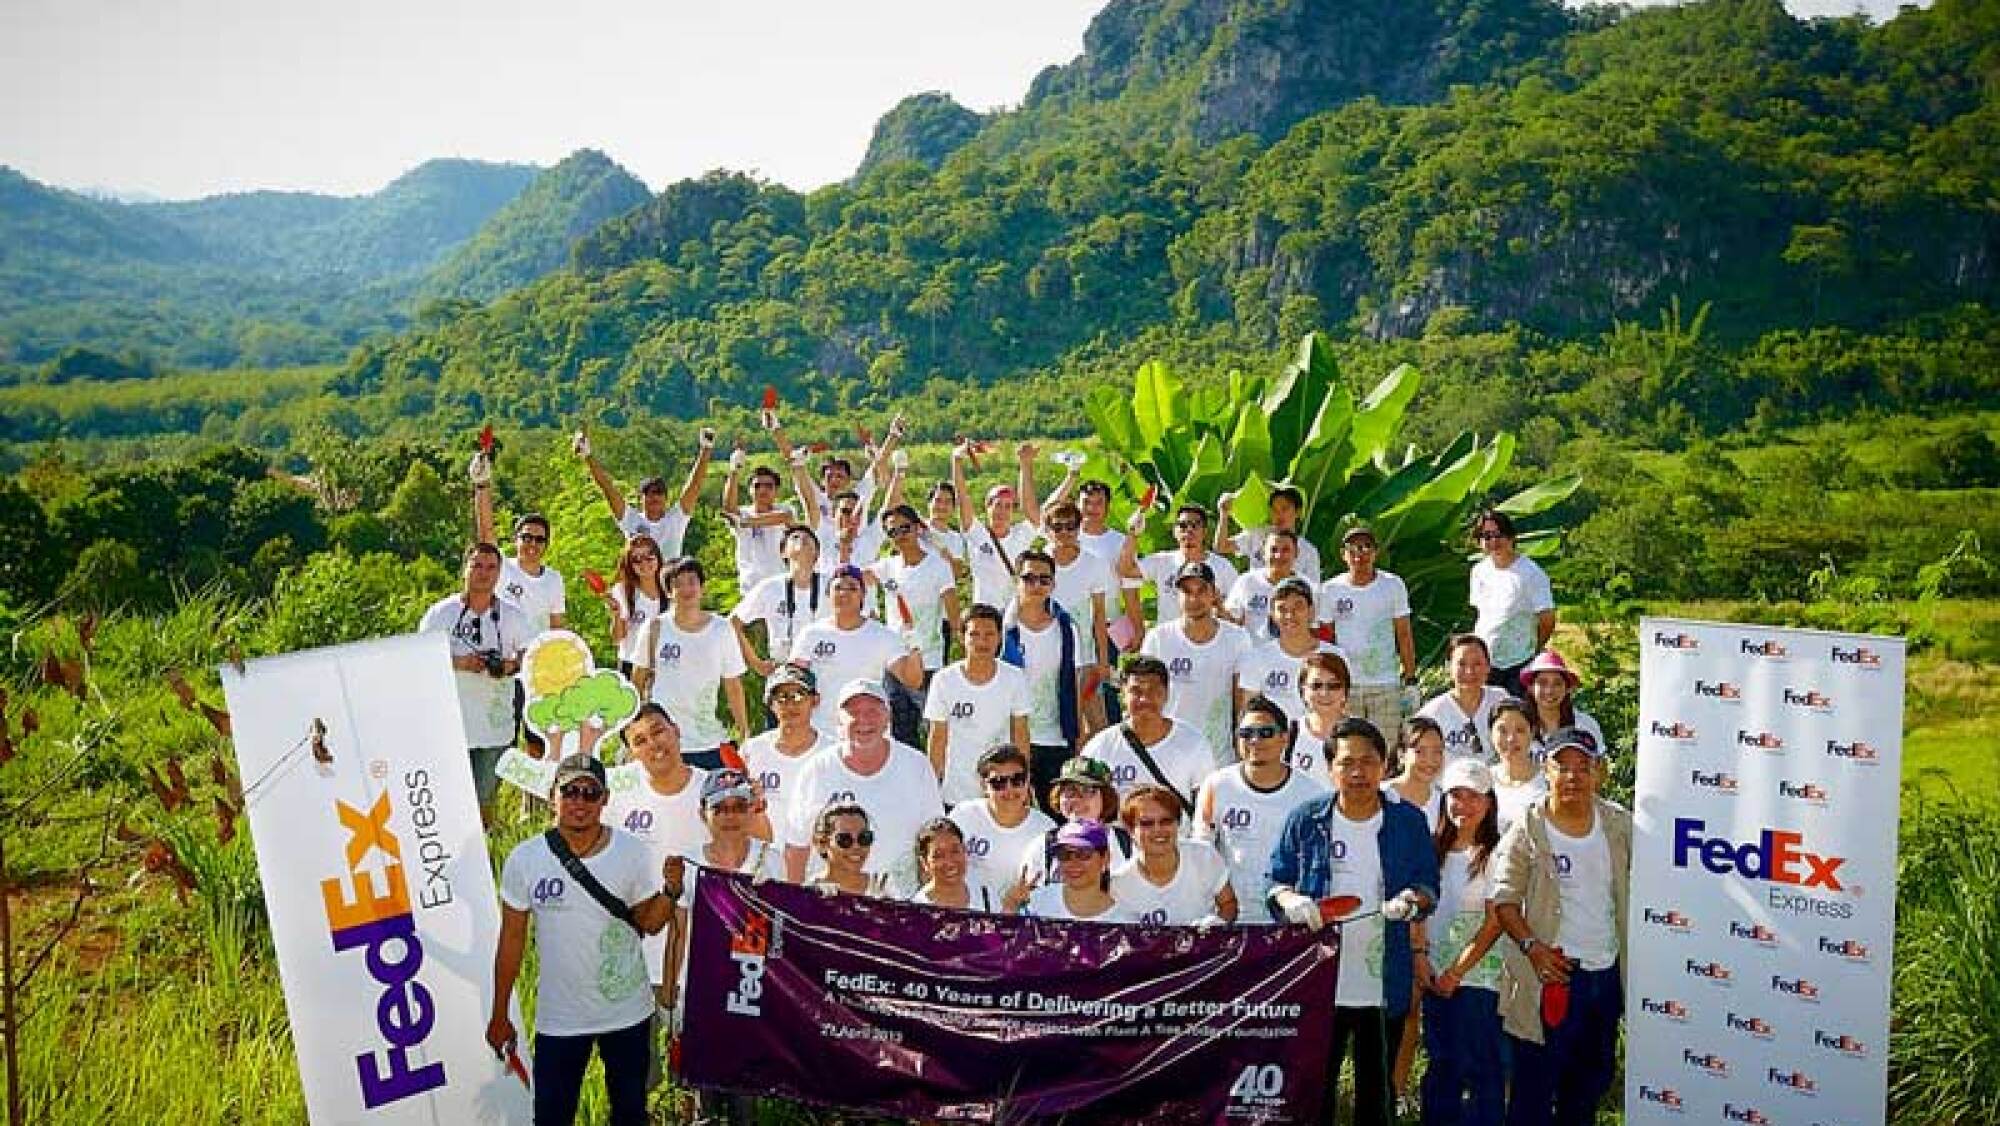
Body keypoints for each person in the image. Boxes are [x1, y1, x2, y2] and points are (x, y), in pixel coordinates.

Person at [1267, 717, 1439, 1126]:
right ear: (1331, 768)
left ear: (1384, 765)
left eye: (1368, 761)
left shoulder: (1408, 821)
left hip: (1383, 980)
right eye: (1347, 763)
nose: (1358, 772)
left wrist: (1411, 901)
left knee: (1376, 1098)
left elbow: (1428, 886)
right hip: (1320, 979)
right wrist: (1289, 900)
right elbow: (1275, 880)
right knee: (1315, 1094)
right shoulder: (1306, 819)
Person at [489, 754, 676, 1126]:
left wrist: (671, 890)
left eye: (590, 793)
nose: (579, 801)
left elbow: (650, 923)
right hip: (560, 1018)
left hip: (627, 1013)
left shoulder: (633, 852)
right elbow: (511, 941)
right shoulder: (525, 859)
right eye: (570, 791)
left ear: (605, 799)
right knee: (552, 1118)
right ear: (552, 797)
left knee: (630, 1115)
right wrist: (499, 1014)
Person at [1490, 727, 1630, 1126]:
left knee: (1588, 1087)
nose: (1573, 776)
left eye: (1583, 767)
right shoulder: (1527, 827)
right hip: (1551, 978)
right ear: (1545, 770)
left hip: (1606, 975)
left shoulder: (1619, 824)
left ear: (1597, 772)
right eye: (1562, 766)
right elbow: (1504, 899)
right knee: (1533, 1092)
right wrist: (1532, 948)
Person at [666, 768, 781, 1126]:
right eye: (721, 808)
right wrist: (671, 990)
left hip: (752, 987)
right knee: (705, 1100)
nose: (731, 816)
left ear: (752, 810)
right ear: (703, 813)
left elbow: (785, 931)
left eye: (739, 806)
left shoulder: (771, 859)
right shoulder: (687, 863)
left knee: (745, 1102)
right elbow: (677, 931)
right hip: (702, 992)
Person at [783, 680, 942, 893]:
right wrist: (793, 902)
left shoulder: (916, 765)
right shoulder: (816, 770)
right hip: (830, 900)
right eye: (854, 713)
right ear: (839, 721)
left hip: (899, 901)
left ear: (887, 718)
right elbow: (796, 846)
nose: (863, 720)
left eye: (872, 711)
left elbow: (933, 840)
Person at [1417, 758, 1507, 1126]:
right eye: (1456, 795)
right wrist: (1421, 958)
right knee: (1442, 1066)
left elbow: (1495, 921)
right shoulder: (1430, 850)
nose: (1463, 805)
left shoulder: (1498, 853)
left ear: (1489, 802)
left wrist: (1457, 972)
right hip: (1435, 975)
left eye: (1474, 796)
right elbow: (1418, 910)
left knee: (1482, 1069)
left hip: (1479, 980)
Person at [420, 542, 530, 822]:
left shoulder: (514, 616)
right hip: (450, 725)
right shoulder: (440, 614)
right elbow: (420, 660)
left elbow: (530, 657)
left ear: (499, 573)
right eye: (477, 565)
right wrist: (461, 663)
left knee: (485, 801)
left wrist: (509, 666)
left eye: (491, 567)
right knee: (450, 800)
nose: (484, 573)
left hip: (495, 725)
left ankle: (486, 846)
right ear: (464, 569)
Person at [1191, 696, 1328, 921]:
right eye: (1246, 733)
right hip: (1232, 917)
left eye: (1265, 733)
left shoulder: (1312, 795)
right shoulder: (1216, 785)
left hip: (1290, 917)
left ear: (1284, 738)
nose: (1255, 740)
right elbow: (1202, 851)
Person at [1139, 561, 1252, 765]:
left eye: (1201, 591)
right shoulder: (1158, 638)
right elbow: (1146, 697)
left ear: (1214, 594)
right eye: (1187, 591)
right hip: (1168, 755)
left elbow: (1242, 701)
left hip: (1218, 756)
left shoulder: (1238, 638)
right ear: (1177, 595)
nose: (1194, 599)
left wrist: (1242, 747)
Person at [869, 502, 962, 746]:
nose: (900, 535)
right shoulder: (887, 566)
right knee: (899, 732)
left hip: (929, 660)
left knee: (934, 728)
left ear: (918, 528)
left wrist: (962, 642)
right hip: (895, 663)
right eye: (892, 532)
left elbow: (953, 610)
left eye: (905, 528)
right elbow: (853, 578)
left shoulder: (938, 566)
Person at [790, 565, 925, 733]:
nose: (844, 593)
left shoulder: (882, 635)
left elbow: (912, 680)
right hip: (821, 731)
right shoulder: (811, 634)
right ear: (828, 593)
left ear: (863, 594)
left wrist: (914, 646)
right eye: (838, 588)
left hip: (868, 732)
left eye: (852, 588)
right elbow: (794, 678)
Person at [925, 605, 1032, 807]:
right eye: (974, 634)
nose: (982, 641)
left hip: (1002, 791)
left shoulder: (1015, 678)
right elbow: (937, 738)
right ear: (962, 637)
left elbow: (1020, 734)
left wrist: (1023, 781)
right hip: (956, 793)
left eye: (989, 634)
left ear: (999, 637)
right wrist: (930, 786)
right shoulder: (944, 680)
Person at [1000, 549, 1083, 808]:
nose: (1036, 585)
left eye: (1044, 579)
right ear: (1016, 580)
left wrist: (1079, 735)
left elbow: (1075, 683)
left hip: (1055, 737)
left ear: (1053, 584)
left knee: (1057, 814)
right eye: (1028, 578)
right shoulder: (1001, 629)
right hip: (1010, 737)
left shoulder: (1067, 628)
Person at [649, 558, 749, 770]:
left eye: (692, 582)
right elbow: (639, 681)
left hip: (707, 741)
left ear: (702, 587)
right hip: (663, 742)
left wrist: (744, 731)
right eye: (678, 584)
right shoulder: (654, 628)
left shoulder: (722, 629)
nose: (686, 589)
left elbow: (733, 686)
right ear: (668, 592)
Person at [1321, 525, 1418, 740]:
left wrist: (1410, 679)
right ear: (1343, 554)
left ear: (1375, 552)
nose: (1360, 554)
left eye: (1366, 547)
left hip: (1386, 684)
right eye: (1353, 548)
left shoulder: (1393, 585)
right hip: (1348, 685)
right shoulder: (1330, 590)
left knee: (1386, 746)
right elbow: (1326, 638)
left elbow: (1403, 634)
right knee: (1350, 745)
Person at [1077, 655, 1212, 808]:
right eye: (1136, 691)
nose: (1144, 699)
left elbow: (1206, 809)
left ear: (1166, 694)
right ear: (1123, 695)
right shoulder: (1099, 748)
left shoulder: (1194, 744)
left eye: (1153, 691)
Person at [576, 424, 710, 556]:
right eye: (648, 492)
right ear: (641, 498)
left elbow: (695, 485)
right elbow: (607, 487)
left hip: (670, 571)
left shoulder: (676, 519)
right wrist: (587, 455)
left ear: (666, 498)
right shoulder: (631, 519)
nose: (654, 497)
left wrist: (706, 449)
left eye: (659, 492)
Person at [470, 452, 568, 634]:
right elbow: (486, 532)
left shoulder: (554, 580)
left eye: (539, 539)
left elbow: (557, 626)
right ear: (515, 540)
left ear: (546, 545)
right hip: (501, 648)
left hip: (535, 650)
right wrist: (482, 485)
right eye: (527, 537)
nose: (533, 544)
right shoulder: (502, 567)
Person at [1111, 785, 1236, 925]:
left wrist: (1217, 923)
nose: (1158, 830)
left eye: (1166, 821)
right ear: (1130, 830)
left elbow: (1228, 903)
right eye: (1147, 823)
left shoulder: (1203, 856)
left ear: (1178, 824)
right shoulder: (1119, 885)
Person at [1042, 500, 1115, 734]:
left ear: (1079, 527)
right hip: (1049, 659)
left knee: (1098, 723)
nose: (1064, 532)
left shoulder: (1094, 564)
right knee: (1059, 725)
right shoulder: (1039, 564)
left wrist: (1103, 661)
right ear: (1048, 530)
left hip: (1085, 659)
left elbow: (1099, 616)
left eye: (1070, 526)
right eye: (1057, 527)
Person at [1013, 756, 1137, 891]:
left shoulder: (1129, 844)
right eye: (1070, 791)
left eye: (1088, 791)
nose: (1077, 798)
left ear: (1106, 797)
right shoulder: (1042, 847)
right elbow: (1028, 897)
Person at [948, 745, 1056, 894]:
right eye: (998, 782)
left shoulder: (1046, 829)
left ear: (1028, 780)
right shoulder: (963, 816)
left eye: (1017, 780)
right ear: (984, 786)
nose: (1009, 789)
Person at [1118, 503, 1240, 632]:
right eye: (1183, 525)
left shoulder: (1223, 567)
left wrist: (1218, 605)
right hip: (1168, 639)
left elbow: (1237, 619)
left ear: (1204, 531)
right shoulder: (1162, 561)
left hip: (1207, 640)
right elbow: (1126, 570)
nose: (1189, 530)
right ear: (1175, 532)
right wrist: (1133, 533)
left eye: (1195, 525)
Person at [1469, 510, 1556, 689]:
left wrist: (1533, 650)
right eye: (1487, 536)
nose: (1493, 541)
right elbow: (1481, 614)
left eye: (1499, 535)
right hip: (1485, 662)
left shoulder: (1531, 573)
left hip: (1518, 663)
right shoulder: (1479, 571)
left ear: (1511, 537)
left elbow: (1547, 620)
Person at [952, 439, 1042, 609]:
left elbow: (1032, 508)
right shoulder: (977, 533)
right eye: (998, 504)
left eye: (1008, 506)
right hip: (984, 614)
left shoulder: (1021, 534)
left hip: (1014, 613)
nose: (1002, 511)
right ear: (987, 507)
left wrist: (1025, 465)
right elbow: (962, 499)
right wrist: (956, 461)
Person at [730, 524, 830, 675]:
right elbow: (732, 623)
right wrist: (756, 663)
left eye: (808, 538)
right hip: (784, 671)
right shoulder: (769, 588)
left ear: (817, 554)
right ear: (783, 552)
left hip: (825, 669)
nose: (802, 539)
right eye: (795, 537)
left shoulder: (832, 586)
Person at [739, 664, 833, 819]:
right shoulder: (751, 751)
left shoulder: (832, 752)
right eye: (781, 698)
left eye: (798, 695)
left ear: (815, 700)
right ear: (770, 704)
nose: (790, 704)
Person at [1235, 576, 1337, 716]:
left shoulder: (1335, 656)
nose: (1290, 615)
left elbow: (1344, 711)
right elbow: (1249, 714)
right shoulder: (1256, 658)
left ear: (1311, 611)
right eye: (1282, 609)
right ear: (1272, 614)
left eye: (1298, 607)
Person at [1417, 635, 1512, 761]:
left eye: (1477, 664)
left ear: (1488, 667)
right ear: (1449, 667)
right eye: (1461, 664)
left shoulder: (1501, 699)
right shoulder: (1432, 713)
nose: (1469, 671)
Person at [1020, 819, 1134, 922]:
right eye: (1064, 854)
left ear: (1105, 858)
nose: (1073, 862)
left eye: (1084, 853)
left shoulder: (1126, 921)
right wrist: (1011, 909)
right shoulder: (1035, 905)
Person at [1217, 485, 1322, 584]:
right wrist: (1224, 514)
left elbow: (1313, 588)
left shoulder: (1309, 552)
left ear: (1297, 512)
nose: (1279, 515)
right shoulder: (1257, 535)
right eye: (1275, 510)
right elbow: (1221, 547)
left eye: (1284, 509)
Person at [719, 460, 794, 593]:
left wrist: (746, 522)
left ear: (776, 490)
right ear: (750, 490)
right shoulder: (743, 513)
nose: (762, 490)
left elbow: (784, 517)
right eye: (757, 486)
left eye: (769, 486)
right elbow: (728, 508)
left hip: (781, 586)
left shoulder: (785, 510)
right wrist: (734, 470)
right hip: (750, 588)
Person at [1518, 650, 1607, 759]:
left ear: (1567, 689)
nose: (1549, 691)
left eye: (1557, 684)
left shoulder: (1585, 724)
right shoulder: (1519, 725)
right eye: (1542, 683)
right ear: (1530, 688)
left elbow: (1600, 763)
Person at [604, 534, 667, 687]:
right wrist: (616, 615)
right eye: (637, 559)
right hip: (630, 664)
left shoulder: (671, 588)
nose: (644, 563)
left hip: (663, 666)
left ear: (658, 557)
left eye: (649, 556)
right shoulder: (623, 591)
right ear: (629, 564)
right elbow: (617, 638)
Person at [1222, 529, 1310, 637]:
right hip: (1252, 647)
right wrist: (1218, 607)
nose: (1278, 555)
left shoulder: (1308, 587)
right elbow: (1232, 622)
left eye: (1285, 550)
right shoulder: (1246, 582)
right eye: (1273, 550)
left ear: (1296, 553)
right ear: (1263, 553)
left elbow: (1313, 629)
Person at [909, 817, 1000, 911]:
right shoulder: (916, 910)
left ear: (964, 850)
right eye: (938, 855)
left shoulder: (986, 896)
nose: (949, 862)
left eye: (955, 851)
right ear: (924, 863)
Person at [1288, 652, 1353, 777]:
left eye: (1334, 686)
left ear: (1345, 691)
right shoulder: (1288, 734)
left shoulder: (1362, 735)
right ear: (1303, 691)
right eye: (1316, 686)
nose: (1324, 693)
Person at [1487, 700, 1547, 833]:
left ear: (1532, 733)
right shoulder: (1483, 780)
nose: (1510, 739)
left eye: (1520, 730)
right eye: (1502, 730)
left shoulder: (1549, 780)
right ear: (1491, 733)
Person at [811, 802, 891, 897]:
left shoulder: (886, 888)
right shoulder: (809, 893)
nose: (856, 846)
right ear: (822, 844)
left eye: (864, 838)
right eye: (845, 839)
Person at [1388, 719, 1446, 833]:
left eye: (1437, 751)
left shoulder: (1445, 803)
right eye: (1420, 751)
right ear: (1401, 754)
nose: (1430, 760)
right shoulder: (1380, 796)